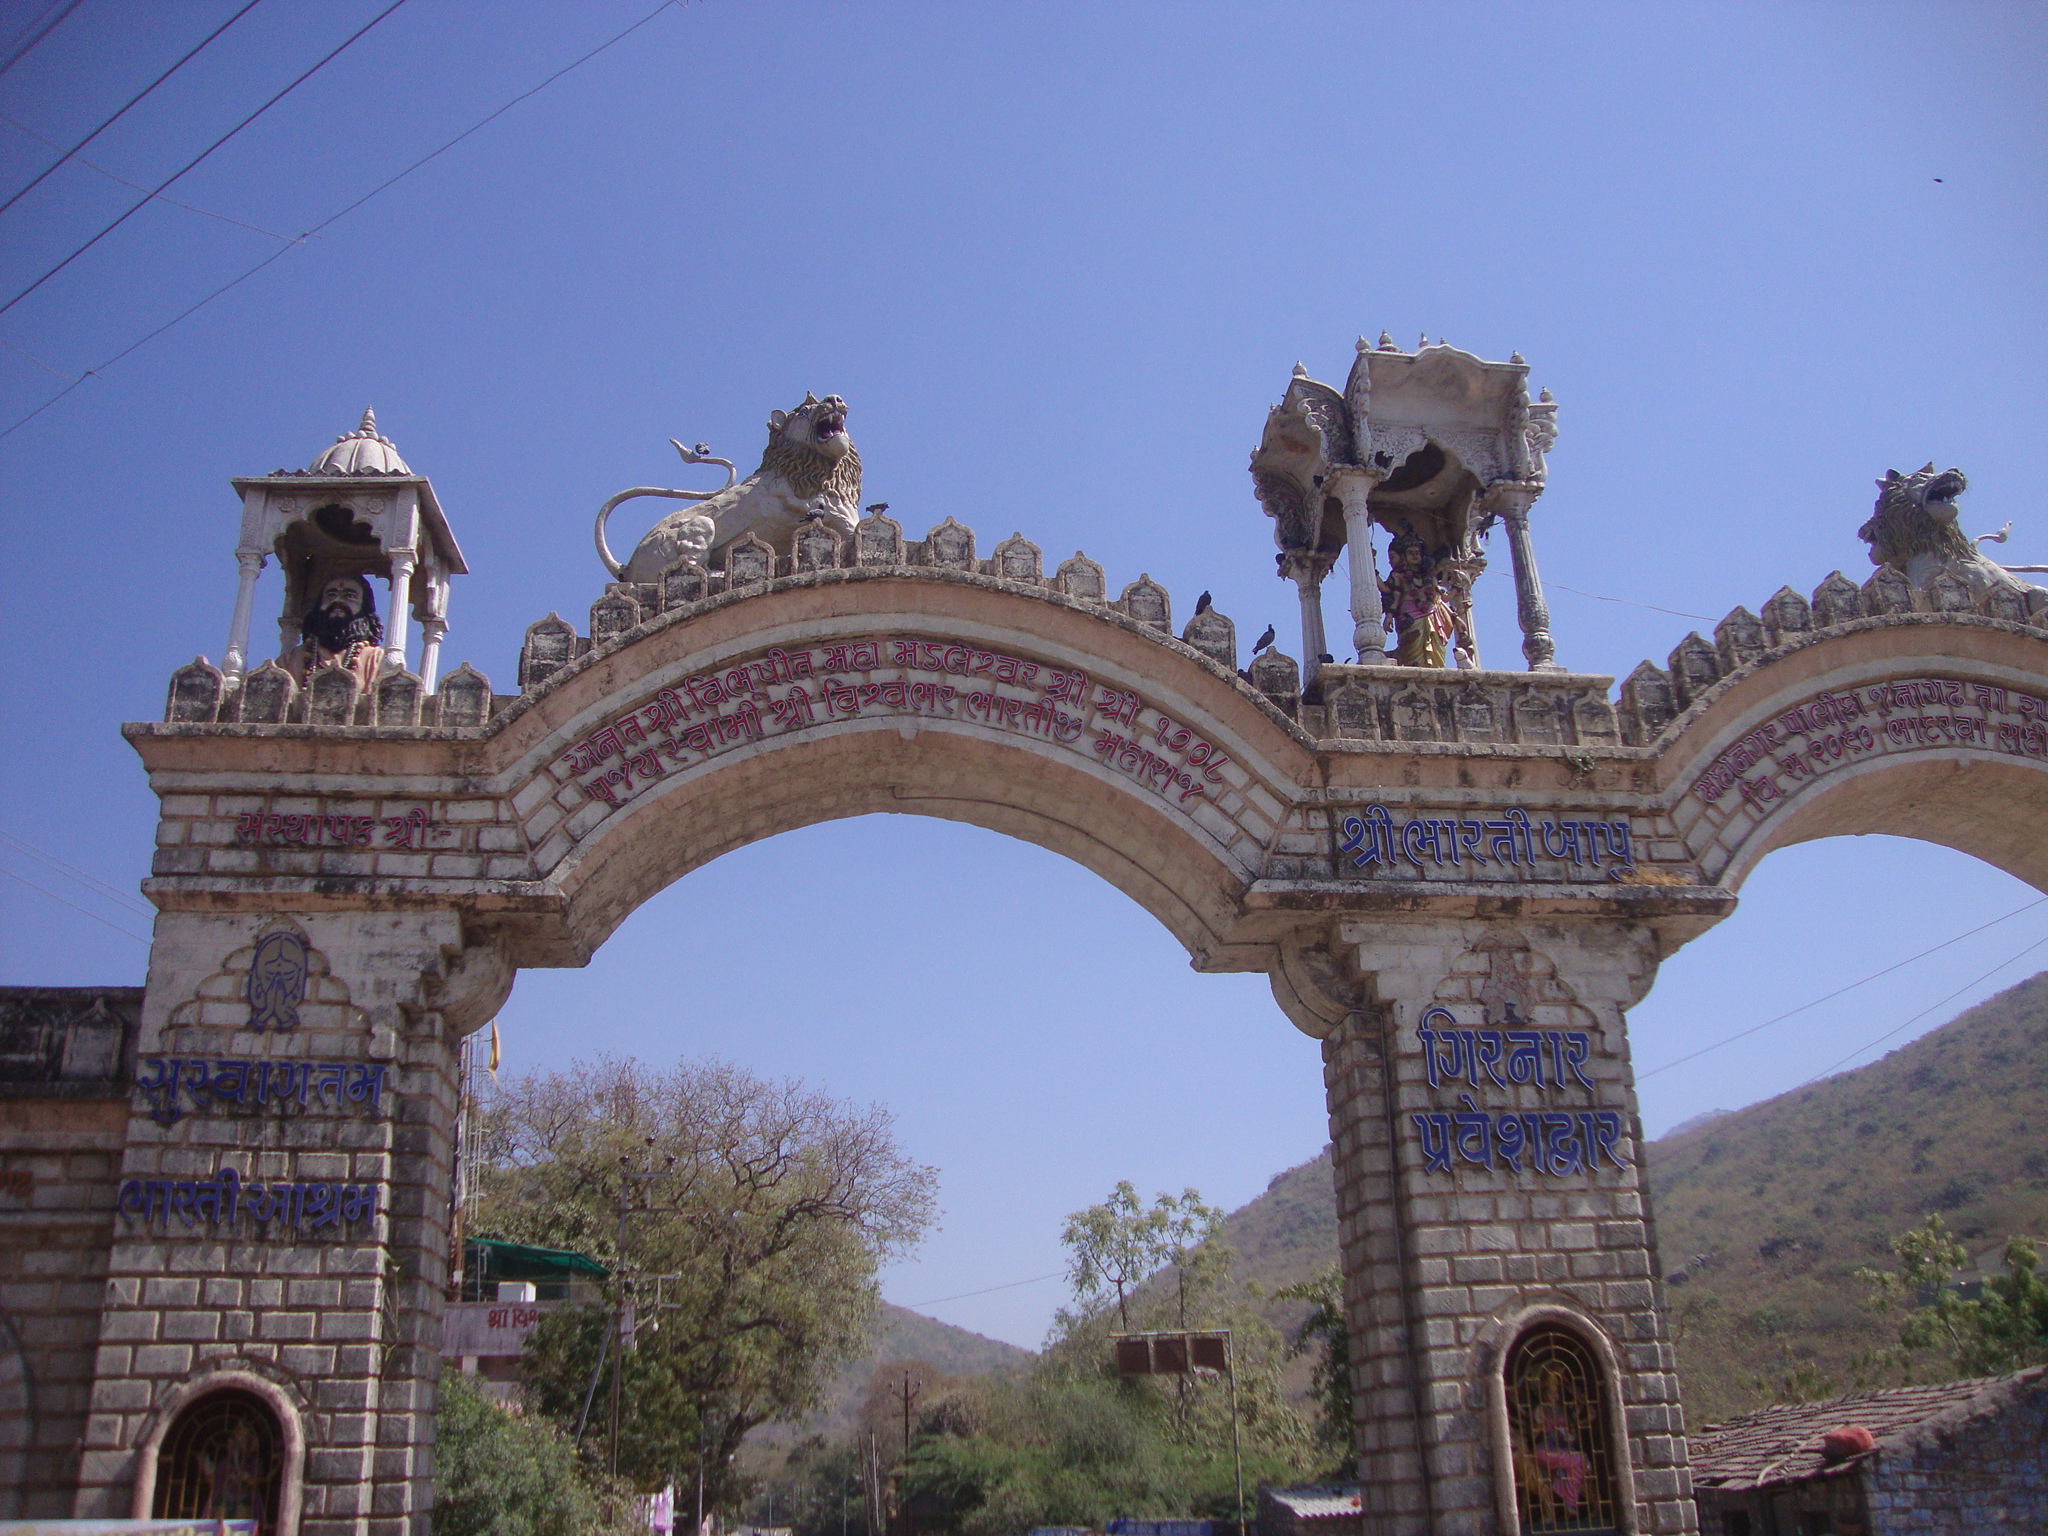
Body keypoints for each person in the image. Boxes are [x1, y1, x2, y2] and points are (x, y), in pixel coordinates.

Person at [287, 574, 384, 692]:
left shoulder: (376, 659)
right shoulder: (293, 658)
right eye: (331, 595)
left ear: (364, 606)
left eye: (349, 596)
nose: (337, 600)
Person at [1379, 530, 1457, 667]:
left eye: (1417, 553)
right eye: (1411, 553)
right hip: (1409, 616)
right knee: (1411, 647)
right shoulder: (1399, 575)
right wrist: (1389, 616)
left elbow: (1441, 598)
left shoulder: (1429, 577)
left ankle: (1435, 671)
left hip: (1431, 616)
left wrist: (1457, 588)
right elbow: (1394, 596)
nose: (1415, 556)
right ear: (1404, 556)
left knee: (1435, 646)